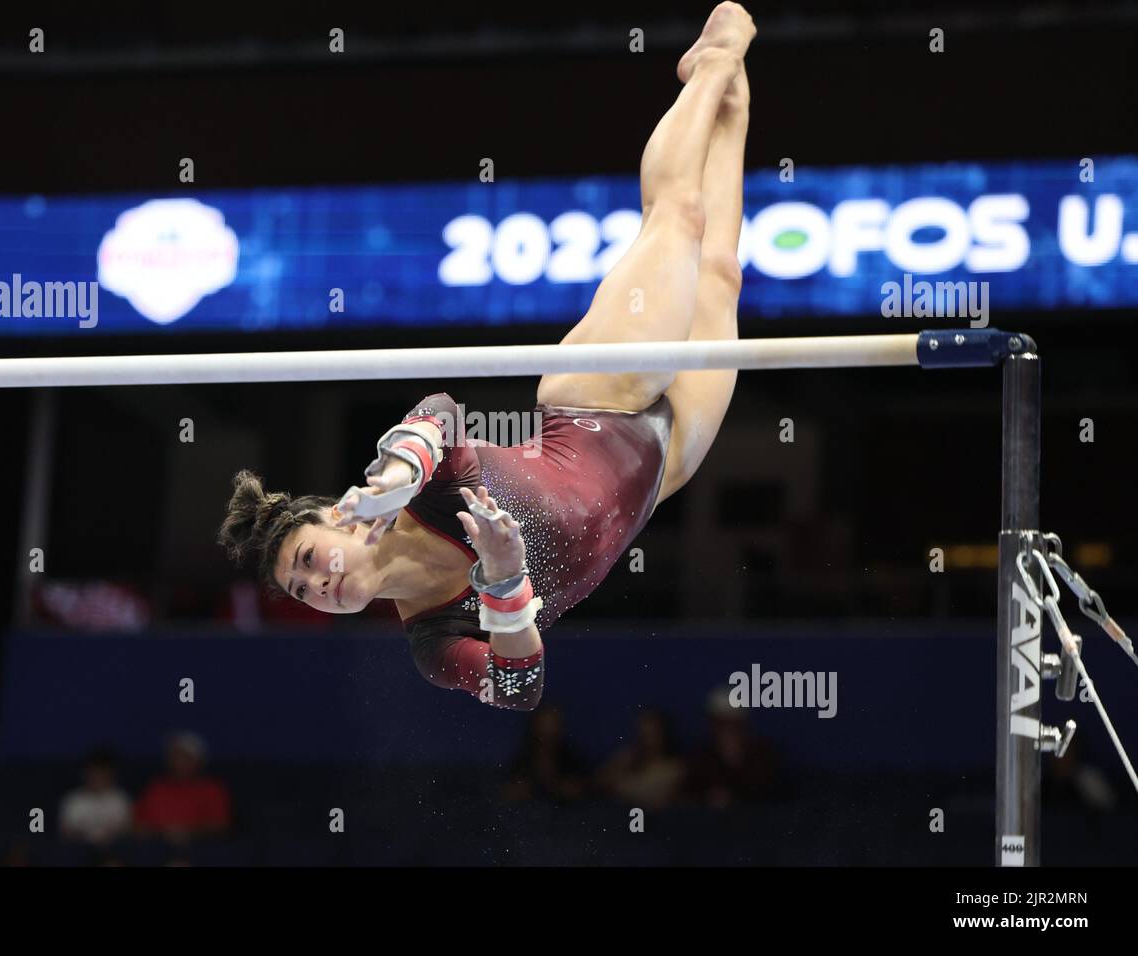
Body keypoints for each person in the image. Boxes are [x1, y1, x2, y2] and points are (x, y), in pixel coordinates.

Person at [219, 3, 755, 710]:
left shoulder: (430, 496)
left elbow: (439, 412)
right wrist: (502, 583)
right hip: (661, 469)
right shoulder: (432, 641)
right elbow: (518, 689)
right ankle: (732, 100)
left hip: (596, 402)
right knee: (720, 272)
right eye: (303, 589)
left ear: (342, 519)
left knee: (679, 221)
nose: (320, 585)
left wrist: (400, 471)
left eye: (312, 561)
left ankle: (715, 61)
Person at [134, 733, 231, 843]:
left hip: (200, 846)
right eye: (175, 756)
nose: (179, 762)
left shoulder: (212, 789)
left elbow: (220, 826)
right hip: (157, 845)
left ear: (199, 761)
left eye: (185, 757)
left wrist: (189, 832)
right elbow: (139, 825)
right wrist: (162, 832)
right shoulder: (155, 788)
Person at [596, 709, 685, 810]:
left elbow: (656, 798)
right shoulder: (625, 757)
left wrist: (618, 786)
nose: (647, 740)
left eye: (653, 734)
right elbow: (599, 781)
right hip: (614, 815)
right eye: (643, 734)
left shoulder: (674, 767)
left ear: (664, 734)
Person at [59, 749, 133, 846]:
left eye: (103, 774)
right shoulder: (73, 800)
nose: (98, 778)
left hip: (113, 850)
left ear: (112, 775)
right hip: (80, 849)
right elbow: (65, 831)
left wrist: (111, 836)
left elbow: (128, 829)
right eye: (94, 773)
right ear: (85, 774)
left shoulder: (120, 799)